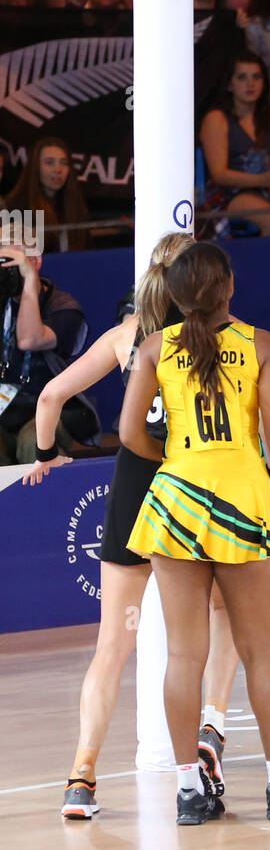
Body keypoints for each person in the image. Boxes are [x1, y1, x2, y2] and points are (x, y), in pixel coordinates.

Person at [17, 233, 241, 819]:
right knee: (221, 621)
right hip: (194, 494)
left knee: (111, 648)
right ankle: (210, 730)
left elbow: (48, 398)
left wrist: (45, 456)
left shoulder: (126, 339)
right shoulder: (229, 338)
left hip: (134, 491)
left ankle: (81, 778)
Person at [120, 241, 270, 824]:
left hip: (175, 499)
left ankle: (187, 791)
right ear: (229, 285)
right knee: (261, 652)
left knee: (184, 655)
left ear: (175, 295)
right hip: (245, 499)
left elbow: (129, 432)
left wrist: (179, 460)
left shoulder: (155, 347)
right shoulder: (261, 344)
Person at [0, 230, 93, 465]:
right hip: (6, 411)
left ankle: (37, 502)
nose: (8, 267)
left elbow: (30, 339)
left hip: (50, 411)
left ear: (36, 260)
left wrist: (29, 281)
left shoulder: (64, 308)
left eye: (14, 260)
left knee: (33, 439)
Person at [199, 49, 270, 234]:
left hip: (267, 190)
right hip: (229, 195)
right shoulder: (216, 118)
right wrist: (262, 180)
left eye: (257, 77)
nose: (250, 84)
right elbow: (219, 174)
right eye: (242, 77)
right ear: (229, 84)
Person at [3, 135, 90, 250]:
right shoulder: (18, 207)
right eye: (49, 162)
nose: (58, 169)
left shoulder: (74, 205)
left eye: (64, 163)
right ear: (35, 167)